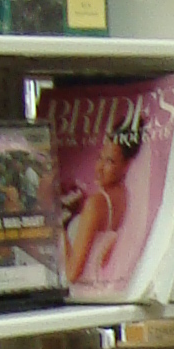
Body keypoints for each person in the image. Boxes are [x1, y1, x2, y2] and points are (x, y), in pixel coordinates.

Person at [64, 115, 140, 285]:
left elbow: (72, 273)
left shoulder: (97, 203)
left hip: (81, 289)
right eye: (100, 157)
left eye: (110, 161)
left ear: (127, 165)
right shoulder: (124, 196)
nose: (99, 168)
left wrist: (61, 227)